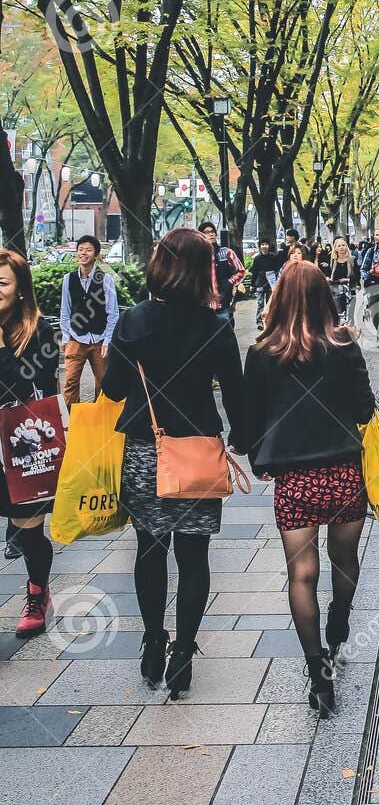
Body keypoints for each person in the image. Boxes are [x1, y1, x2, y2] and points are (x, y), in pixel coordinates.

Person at [101, 229, 247, 698]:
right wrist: (245, 441)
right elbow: (237, 394)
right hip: (198, 450)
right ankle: (183, 651)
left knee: (149, 548)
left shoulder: (134, 321)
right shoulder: (217, 325)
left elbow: (112, 389)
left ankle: (152, 640)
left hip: (147, 449)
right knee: (194, 555)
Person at [243, 262, 376, 715]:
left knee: (301, 574)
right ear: (325, 298)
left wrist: (256, 456)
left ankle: (318, 672)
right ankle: (340, 619)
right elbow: (364, 409)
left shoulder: (262, 352)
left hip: (295, 480)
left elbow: (249, 418)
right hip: (343, 474)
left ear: (278, 297)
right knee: (344, 559)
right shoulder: (344, 345)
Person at [0, 251, 61, 637]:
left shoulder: (40, 331)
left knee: (27, 530)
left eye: (2, 283)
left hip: (23, 444)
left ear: (21, 288)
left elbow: (28, 384)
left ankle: (37, 593)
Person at [59, 234, 119, 409]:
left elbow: (113, 313)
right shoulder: (68, 279)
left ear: (96, 255)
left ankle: (98, 417)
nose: (83, 253)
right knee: (70, 382)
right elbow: (65, 310)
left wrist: (108, 340)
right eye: (80, 249)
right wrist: (65, 337)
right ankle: (71, 419)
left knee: (103, 383)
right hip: (75, 337)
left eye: (88, 250)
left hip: (100, 338)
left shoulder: (106, 279)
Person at [198, 221, 246, 319]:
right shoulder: (197, 256)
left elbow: (241, 271)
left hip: (223, 302)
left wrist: (229, 283)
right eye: (206, 232)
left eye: (212, 231)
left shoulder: (226, 252)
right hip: (203, 305)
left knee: (224, 326)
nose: (211, 234)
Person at [248, 238, 283, 330]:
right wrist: (252, 285)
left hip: (271, 283)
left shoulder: (274, 257)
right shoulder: (257, 258)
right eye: (262, 244)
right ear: (260, 246)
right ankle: (259, 321)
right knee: (260, 303)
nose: (264, 246)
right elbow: (254, 272)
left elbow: (277, 270)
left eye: (266, 244)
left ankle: (268, 320)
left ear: (269, 246)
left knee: (270, 303)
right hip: (260, 283)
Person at [329, 238, 355, 325]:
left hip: (350, 290)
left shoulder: (352, 260)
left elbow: (358, 276)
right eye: (339, 246)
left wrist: (348, 280)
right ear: (336, 248)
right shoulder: (333, 261)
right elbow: (330, 276)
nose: (341, 247)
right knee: (339, 316)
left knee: (350, 316)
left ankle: (349, 331)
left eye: (343, 245)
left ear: (346, 247)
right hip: (336, 290)